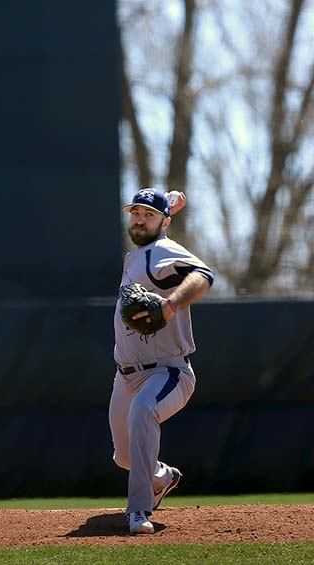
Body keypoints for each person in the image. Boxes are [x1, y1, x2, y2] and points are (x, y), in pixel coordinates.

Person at [110, 188, 213, 535]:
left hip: (167, 371)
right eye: (135, 213)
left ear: (164, 223)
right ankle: (162, 476)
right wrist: (164, 206)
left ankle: (138, 510)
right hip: (125, 377)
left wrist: (169, 306)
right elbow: (155, 228)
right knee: (124, 458)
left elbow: (202, 275)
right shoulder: (137, 255)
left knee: (143, 412)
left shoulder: (161, 250)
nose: (139, 219)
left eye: (148, 215)